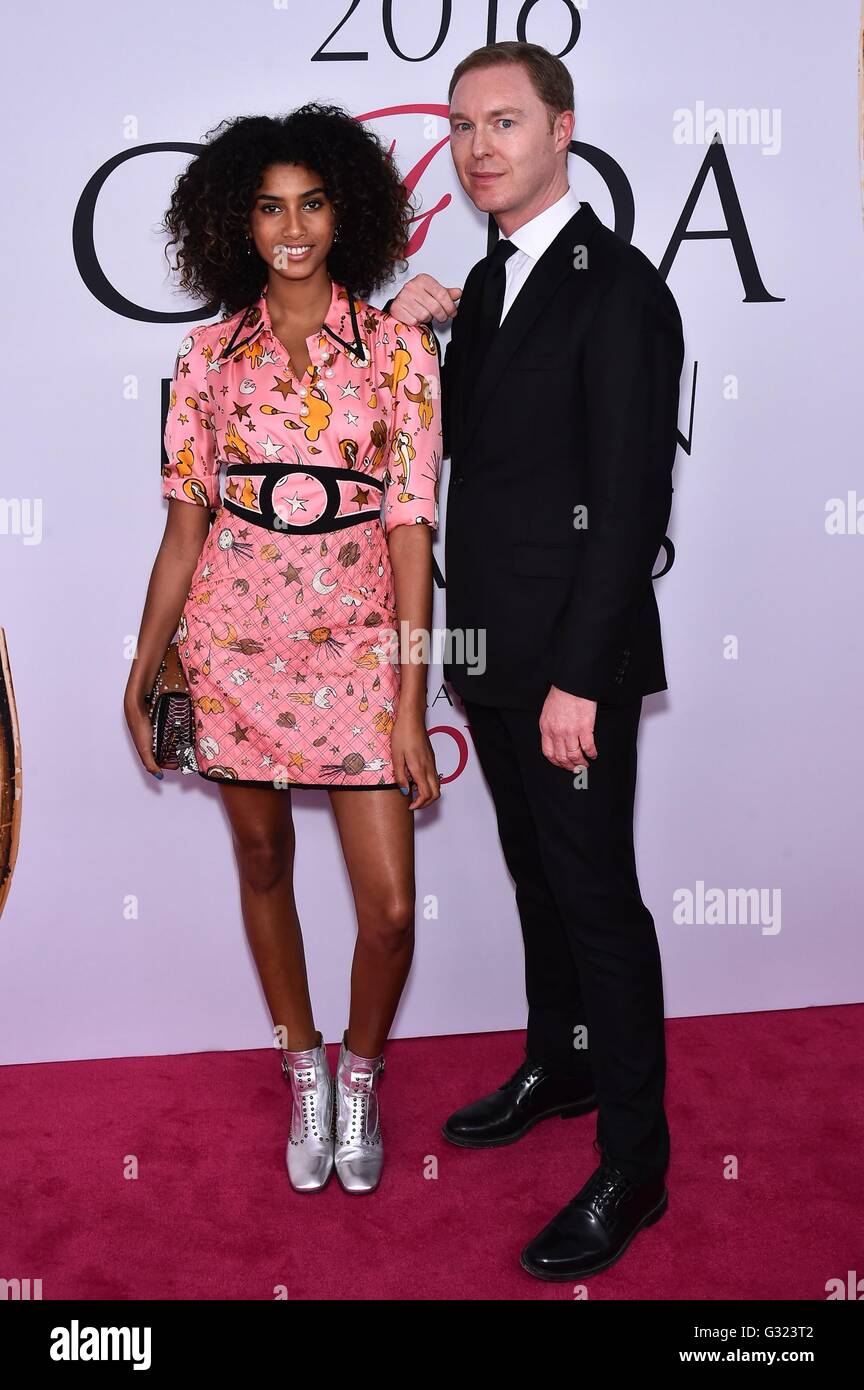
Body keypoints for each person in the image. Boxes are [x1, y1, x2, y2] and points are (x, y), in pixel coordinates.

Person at [389, 42, 684, 1277]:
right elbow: (481, 457)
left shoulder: (616, 289)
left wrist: (579, 677)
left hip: (572, 670)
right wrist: (417, 325)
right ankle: (561, 1062)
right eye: (461, 126)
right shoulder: (493, 282)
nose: (477, 146)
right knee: (535, 877)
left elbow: (624, 507)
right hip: (492, 652)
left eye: (504, 122)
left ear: (563, 129)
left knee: (598, 899)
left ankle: (637, 1161)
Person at [124, 105, 442, 1196]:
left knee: (389, 907)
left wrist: (407, 700)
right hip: (232, 645)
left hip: (358, 654)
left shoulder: (400, 351)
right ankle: (301, 1065)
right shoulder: (208, 356)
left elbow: (411, 533)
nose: (292, 227)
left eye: (311, 203)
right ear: (238, 224)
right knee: (263, 862)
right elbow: (184, 530)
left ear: (345, 213)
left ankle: (362, 1074)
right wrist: (144, 665)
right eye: (269, 207)